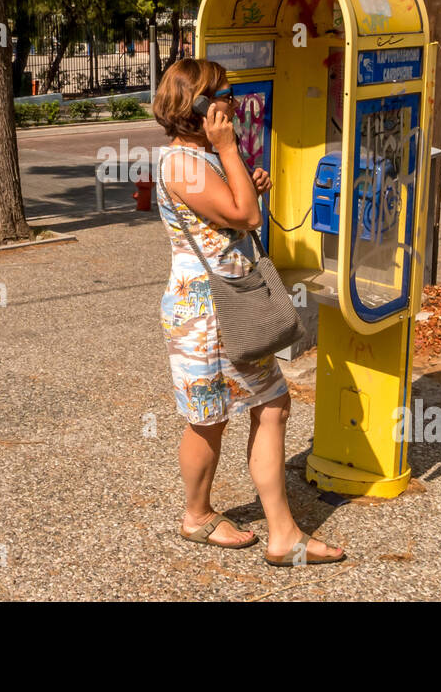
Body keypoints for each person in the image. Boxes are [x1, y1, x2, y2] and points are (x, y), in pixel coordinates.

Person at [152, 58, 345, 566]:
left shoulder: (203, 157)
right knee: (210, 420)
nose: (233, 102)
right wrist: (230, 151)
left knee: (268, 405)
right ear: (195, 104)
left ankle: (276, 533)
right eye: (223, 93)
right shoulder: (184, 162)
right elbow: (244, 217)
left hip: (226, 302)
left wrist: (242, 178)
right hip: (208, 312)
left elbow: (235, 211)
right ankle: (201, 517)